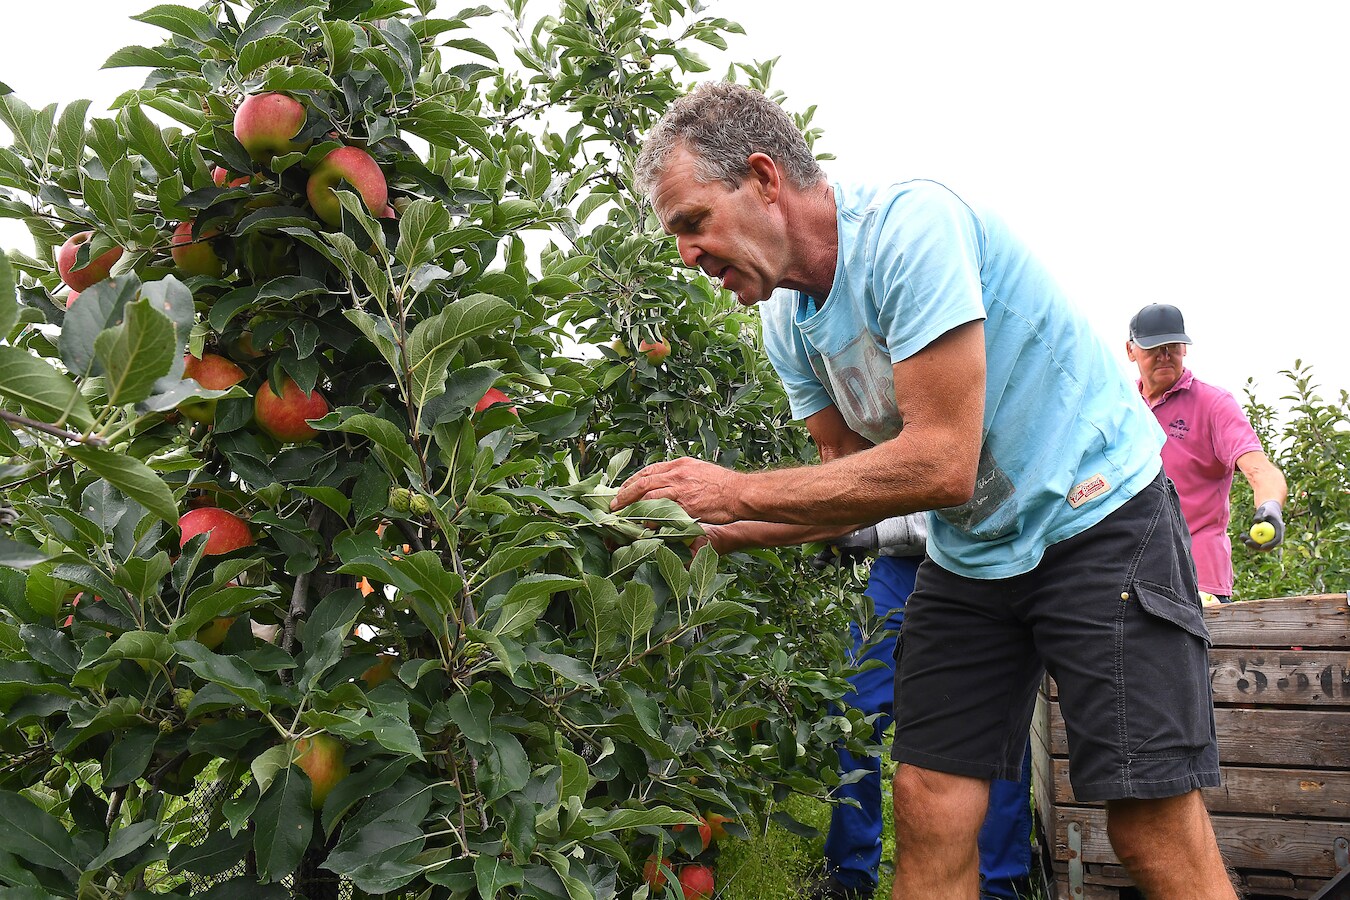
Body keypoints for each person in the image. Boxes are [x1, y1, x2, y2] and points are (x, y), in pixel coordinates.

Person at [617, 82, 1236, 897]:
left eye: (693, 222)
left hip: (1096, 515)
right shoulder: (786, 324)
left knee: (1148, 820)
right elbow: (840, 493)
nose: (687, 254)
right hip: (974, 552)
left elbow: (943, 462)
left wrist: (734, 493)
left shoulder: (911, 231)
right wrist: (703, 533)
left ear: (764, 179)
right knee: (928, 799)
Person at [808, 519, 1033, 900]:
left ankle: (999, 883)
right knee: (851, 704)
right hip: (904, 566)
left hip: (988, 562)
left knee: (999, 721)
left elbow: (968, 496)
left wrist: (875, 533)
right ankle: (850, 871)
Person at [1126, 303, 1288, 602]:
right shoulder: (1122, 406)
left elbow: (1260, 470)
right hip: (1132, 577)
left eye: (1172, 347)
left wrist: (1270, 508)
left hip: (1199, 578)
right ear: (1131, 350)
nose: (1164, 356)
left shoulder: (1214, 404)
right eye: (1154, 348)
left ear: (1184, 349)